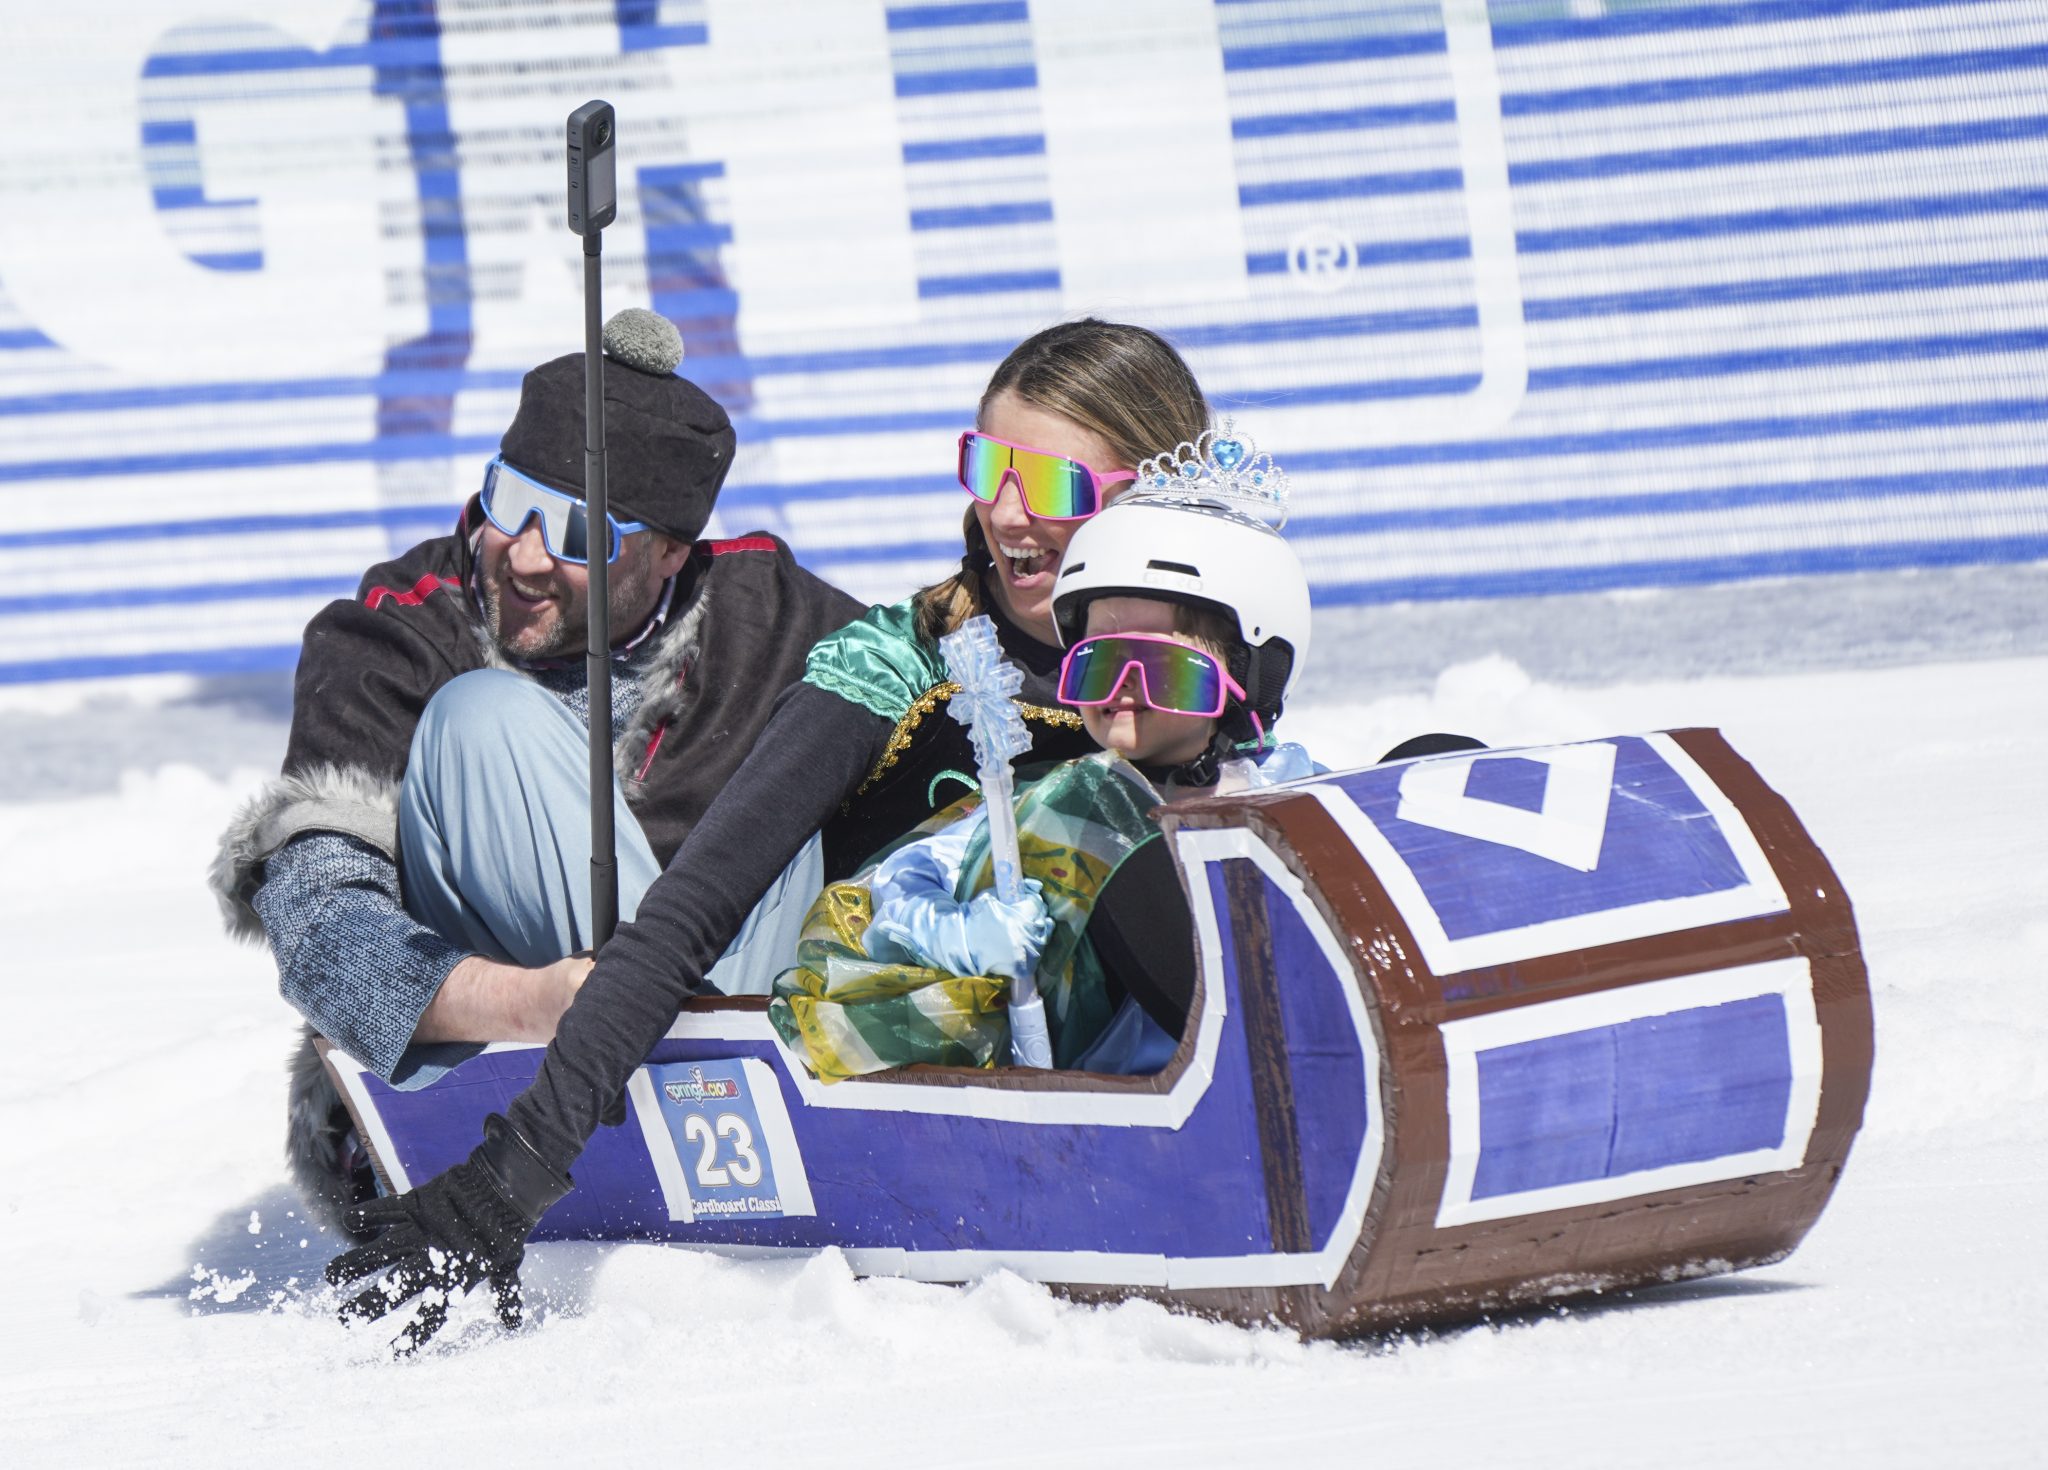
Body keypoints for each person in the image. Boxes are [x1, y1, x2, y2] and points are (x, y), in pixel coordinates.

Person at [323, 318, 1215, 1348]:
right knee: (1096, 803)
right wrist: (510, 1172)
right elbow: (694, 909)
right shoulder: (898, 663)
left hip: (1091, 1064)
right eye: (987, 468)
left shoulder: (1208, 667)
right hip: (842, 1051)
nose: (1007, 515)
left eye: (1051, 486)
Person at [212, 308, 861, 1224]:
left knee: (811, 749)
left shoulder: (772, 617)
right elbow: (321, 926)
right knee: (484, 720)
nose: (520, 555)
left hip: (747, 1026)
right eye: (507, 501)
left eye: (575, 532)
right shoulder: (398, 634)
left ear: (670, 549)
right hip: (494, 1076)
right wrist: (539, 1003)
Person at [772, 444, 1319, 1082]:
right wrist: (960, 931)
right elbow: (886, 890)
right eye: (1097, 663)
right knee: (1098, 799)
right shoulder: (1058, 801)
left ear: (1254, 678)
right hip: (1109, 1076)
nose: (1121, 689)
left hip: (1269, 1038)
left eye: (1165, 670)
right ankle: (1267, 1067)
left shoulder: (1285, 783)